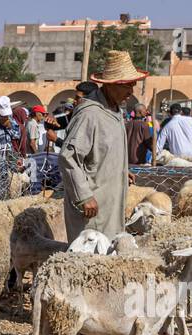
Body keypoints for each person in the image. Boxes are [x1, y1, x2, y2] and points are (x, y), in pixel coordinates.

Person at [60, 49, 143, 240]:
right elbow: (68, 157)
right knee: (90, 259)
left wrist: (120, 169)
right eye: (127, 85)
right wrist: (84, 196)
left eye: (133, 84)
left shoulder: (114, 111)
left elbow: (102, 150)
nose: (131, 91)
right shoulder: (90, 113)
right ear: (110, 85)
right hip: (93, 206)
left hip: (110, 200)